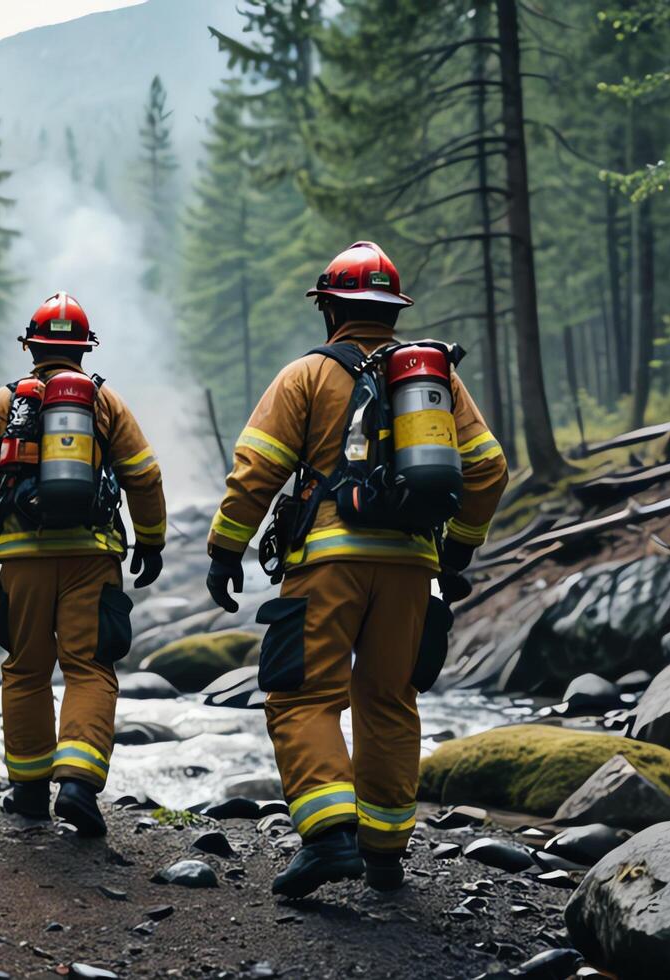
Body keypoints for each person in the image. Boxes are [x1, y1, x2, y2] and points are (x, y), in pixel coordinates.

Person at [204, 243, 508, 897]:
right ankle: (384, 851)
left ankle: (326, 836)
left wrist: (224, 550)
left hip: (326, 565)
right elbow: (487, 468)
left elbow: (256, 470)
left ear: (329, 309)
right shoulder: (434, 382)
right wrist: (457, 550)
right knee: (390, 701)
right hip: (409, 569)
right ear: (390, 312)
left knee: (302, 695)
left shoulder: (305, 377)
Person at [0, 291, 167, 836]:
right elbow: (144, 474)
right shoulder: (103, 404)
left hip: (21, 559)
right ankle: (77, 784)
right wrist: (151, 540)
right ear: (86, 350)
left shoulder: (5, 405)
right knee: (89, 668)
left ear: (29, 345)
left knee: (25, 669)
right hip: (92, 556)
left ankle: (26, 790)